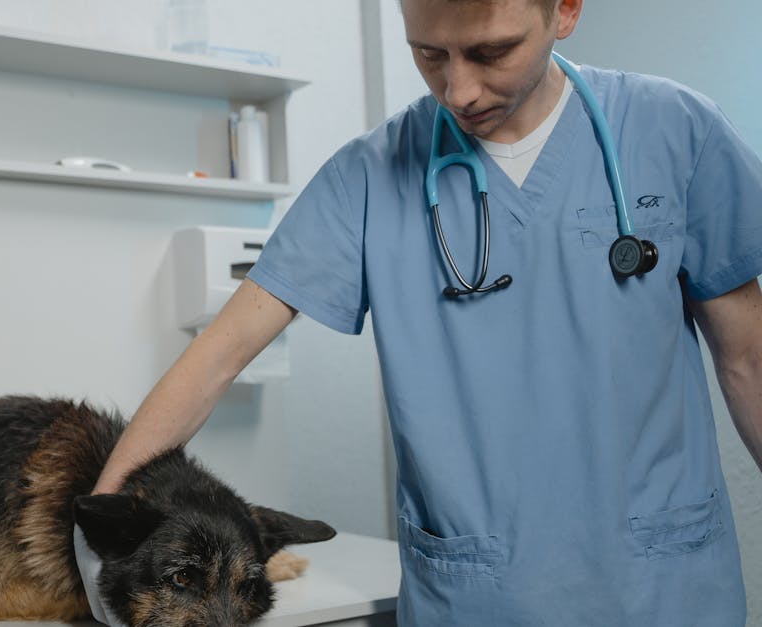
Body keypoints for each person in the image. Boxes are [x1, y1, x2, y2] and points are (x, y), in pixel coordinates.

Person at [86, 0, 762, 624]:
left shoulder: (674, 132)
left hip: (665, 595)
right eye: (429, 53)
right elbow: (217, 357)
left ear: (566, 8)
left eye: (491, 52)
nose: (458, 90)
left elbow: (748, 360)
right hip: (476, 602)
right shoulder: (369, 177)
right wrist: (97, 535)